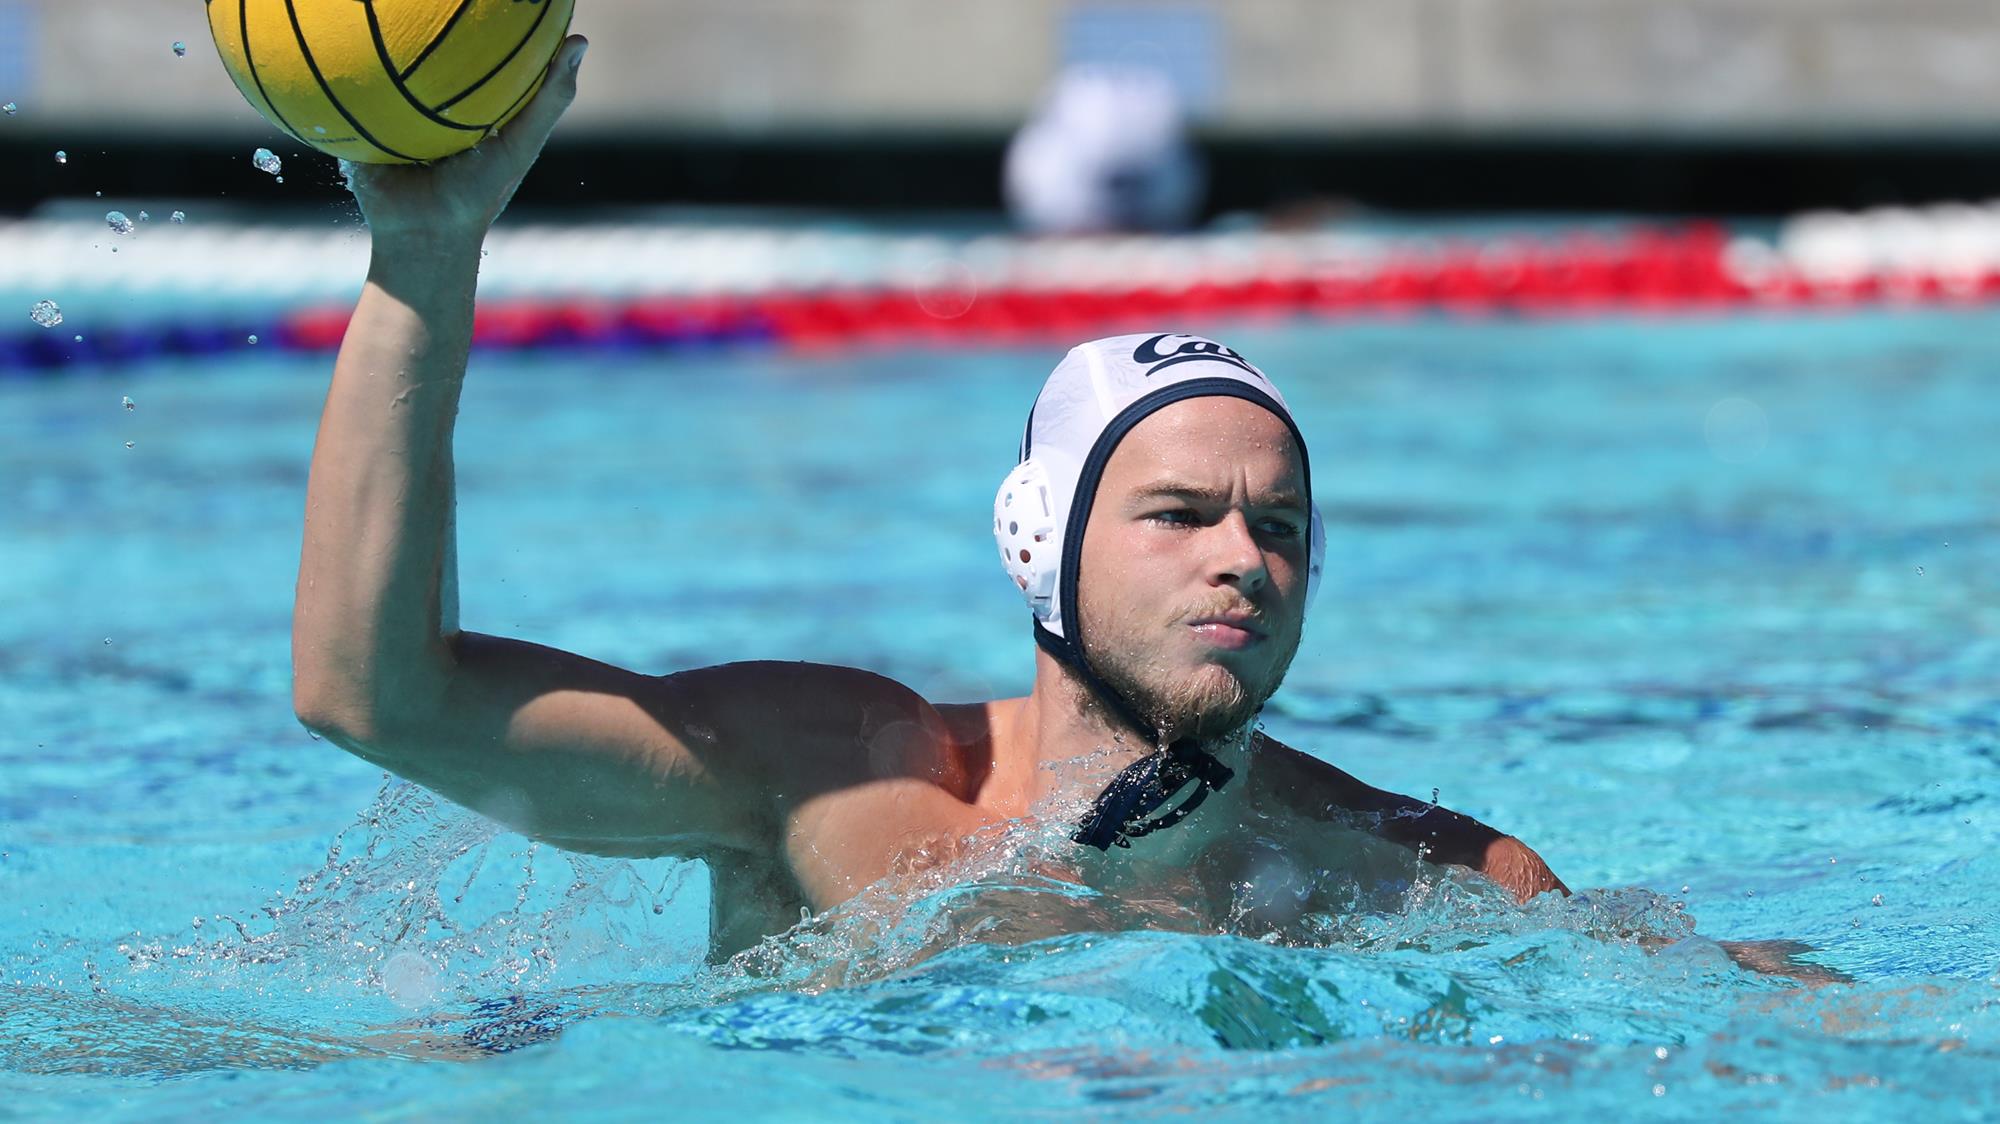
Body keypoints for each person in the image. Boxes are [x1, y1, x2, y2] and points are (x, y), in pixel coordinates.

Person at [292, 34, 1565, 963]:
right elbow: (375, 692)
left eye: (1276, 527)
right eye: (1177, 513)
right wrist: (423, 255)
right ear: (1039, 542)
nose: (1240, 557)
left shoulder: (1417, 876)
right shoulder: (833, 781)